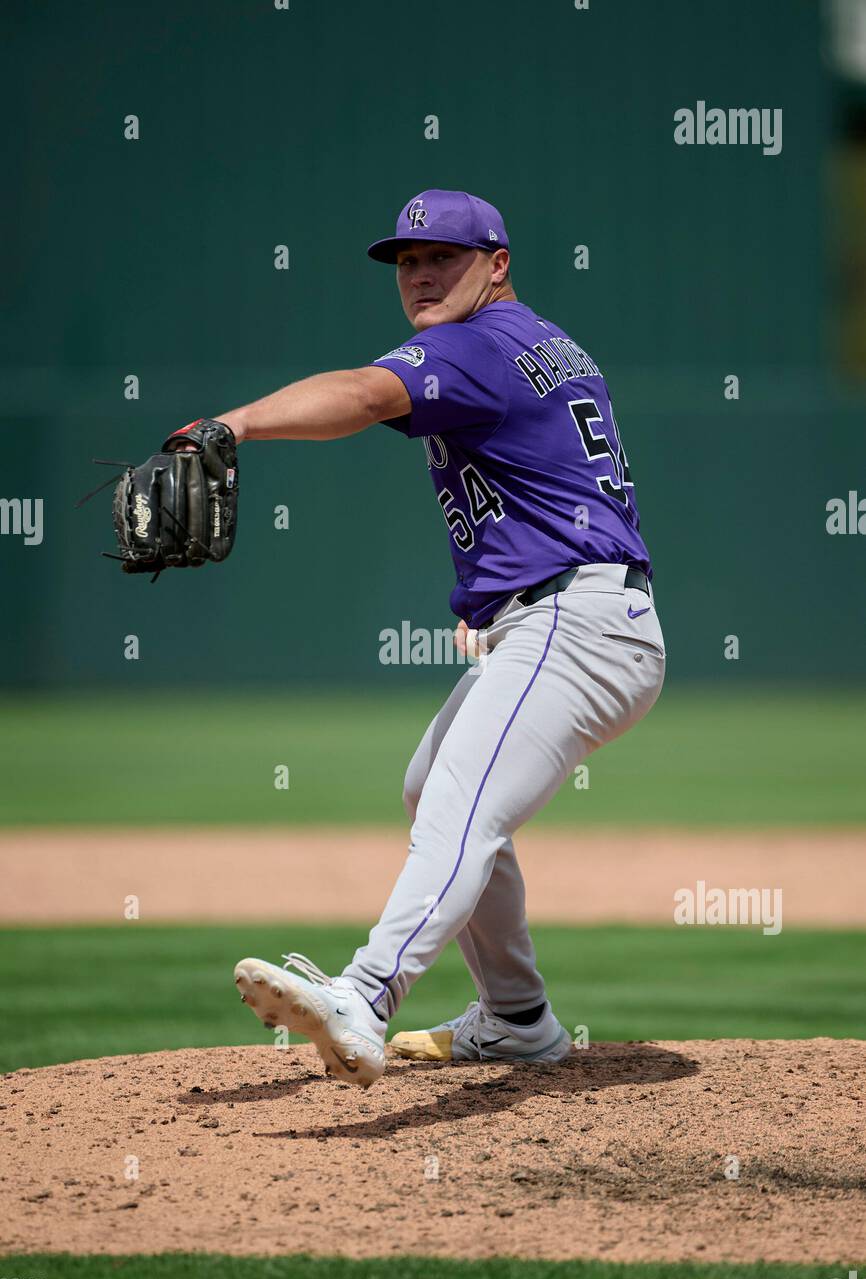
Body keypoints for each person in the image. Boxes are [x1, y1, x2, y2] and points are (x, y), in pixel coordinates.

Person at [207, 188, 665, 1089]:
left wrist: (236, 424)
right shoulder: (541, 341)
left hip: (577, 622)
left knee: (459, 801)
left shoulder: (475, 342)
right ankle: (518, 1017)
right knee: (433, 790)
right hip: (578, 612)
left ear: (496, 264)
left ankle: (367, 996)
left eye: (442, 257)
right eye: (406, 262)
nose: (419, 274)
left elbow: (363, 393)